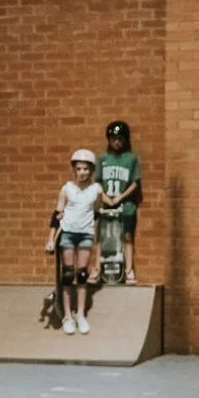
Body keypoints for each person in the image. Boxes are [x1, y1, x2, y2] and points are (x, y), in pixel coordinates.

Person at [44, 150, 102, 335]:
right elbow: (57, 214)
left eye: (86, 169)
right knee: (68, 275)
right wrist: (50, 239)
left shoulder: (96, 189)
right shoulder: (67, 188)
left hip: (85, 234)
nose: (82, 172)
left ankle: (81, 314)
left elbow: (98, 210)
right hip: (68, 233)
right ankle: (67, 316)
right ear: (74, 170)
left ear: (91, 170)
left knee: (82, 274)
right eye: (79, 169)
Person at [95, 121, 142, 283]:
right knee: (102, 237)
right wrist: (105, 197)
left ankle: (129, 270)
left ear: (125, 140)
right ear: (108, 139)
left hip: (126, 206)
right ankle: (97, 269)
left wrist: (121, 197)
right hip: (107, 206)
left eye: (120, 139)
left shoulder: (131, 159)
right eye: (114, 138)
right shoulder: (102, 159)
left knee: (127, 237)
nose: (117, 142)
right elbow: (98, 181)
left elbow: (135, 183)